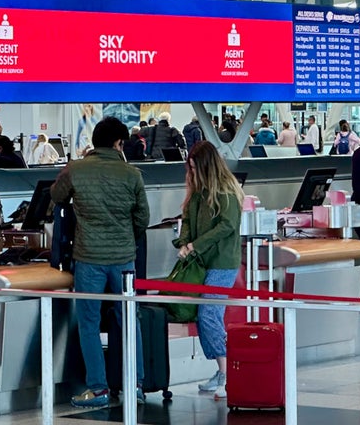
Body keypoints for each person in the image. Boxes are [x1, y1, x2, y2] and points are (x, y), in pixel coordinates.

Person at [51, 117, 149, 408]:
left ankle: (98, 389)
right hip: (123, 259)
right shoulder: (132, 174)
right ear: (118, 143)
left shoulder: (76, 169)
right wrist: (126, 237)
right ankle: (135, 385)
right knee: (129, 320)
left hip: (89, 258)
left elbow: (56, 195)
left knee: (89, 323)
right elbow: (142, 218)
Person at [172, 141, 243, 399]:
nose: (192, 173)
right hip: (202, 262)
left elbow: (227, 225)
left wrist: (195, 245)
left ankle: (228, 371)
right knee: (206, 316)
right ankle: (223, 370)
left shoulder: (225, 191)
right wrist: (183, 242)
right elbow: (187, 221)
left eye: (195, 168)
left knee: (208, 314)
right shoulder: (197, 192)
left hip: (222, 262)